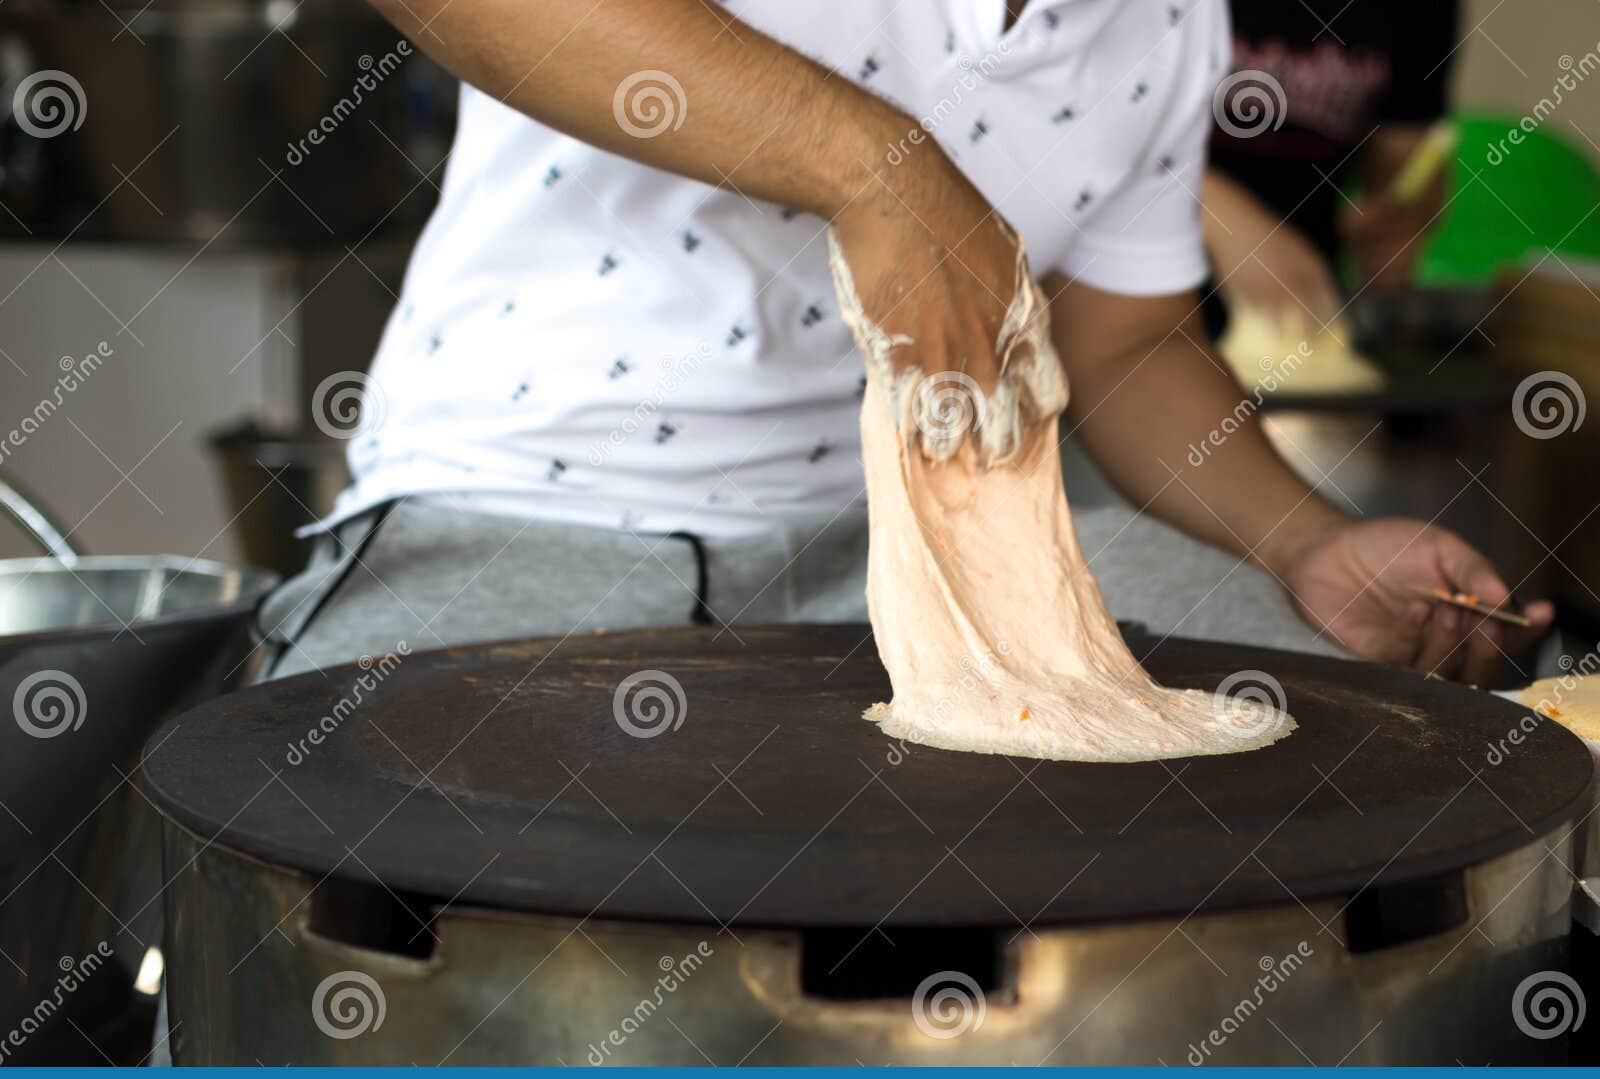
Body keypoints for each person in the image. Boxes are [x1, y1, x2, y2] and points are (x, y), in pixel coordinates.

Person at [258, 0, 1549, 690]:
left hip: (914, 550)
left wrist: (1305, 539)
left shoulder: (1165, 21)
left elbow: (1127, 346)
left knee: (1325, 729)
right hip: (520, 510)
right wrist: (873, 164)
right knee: (354, 853)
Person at [1203, 0, 1460, 330]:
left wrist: (1399, 219)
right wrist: (1222, 218)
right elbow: (1117, 148)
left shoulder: (1420, 10)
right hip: (1143, 300)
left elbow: (1407, 152)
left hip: (1303, 309)